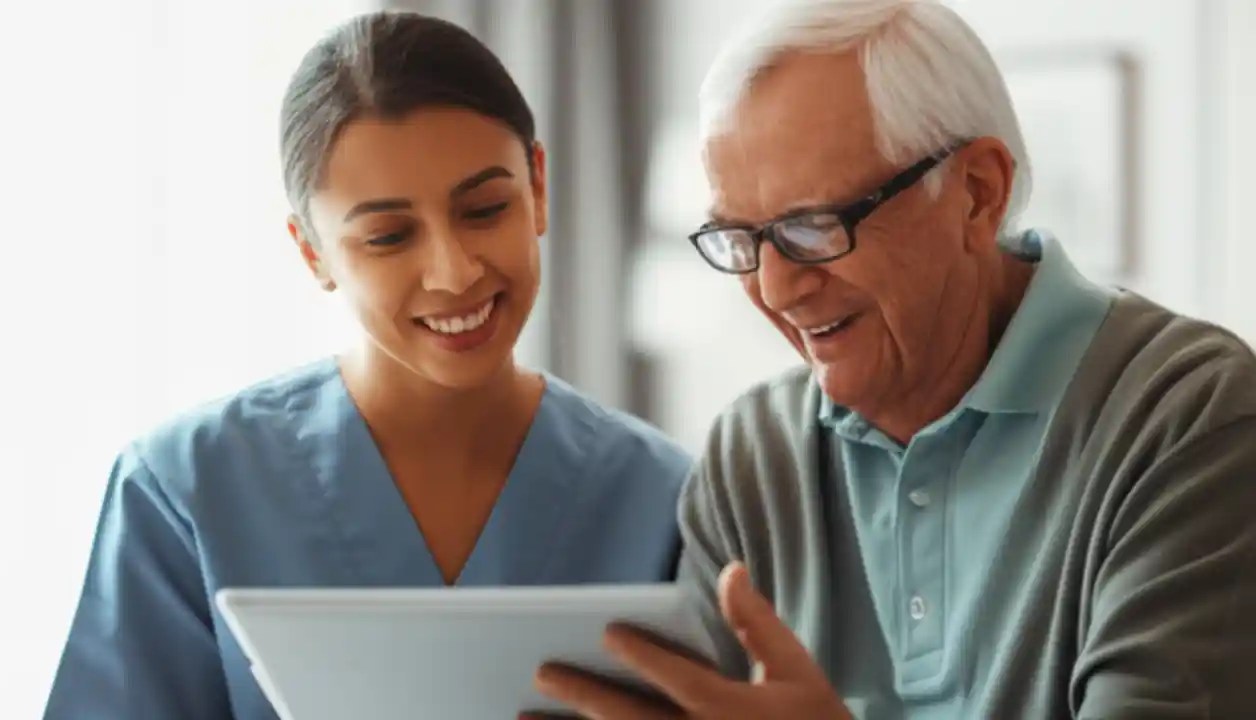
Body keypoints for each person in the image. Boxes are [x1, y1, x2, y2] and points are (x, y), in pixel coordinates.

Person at [533, 1, 1256, 718]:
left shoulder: (1188, 415)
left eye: (813, 226)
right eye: (739, 239)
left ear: (978, 194)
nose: (776, 289)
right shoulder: (753, 456)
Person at [45, 11, 691, 719]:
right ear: (312, 251)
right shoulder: (182, 490)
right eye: (387, 237)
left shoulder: (665, 497)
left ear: (537, 186)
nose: (452, 272)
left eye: (484, 209)